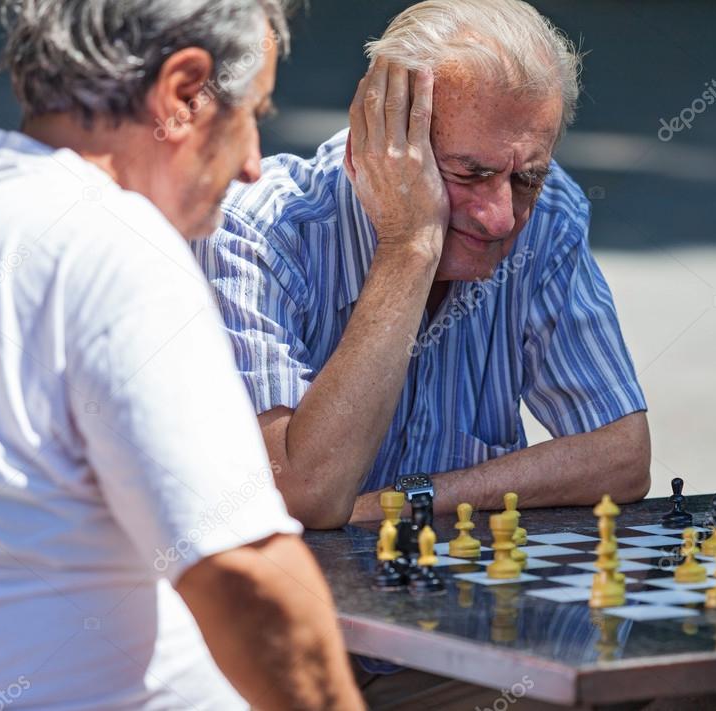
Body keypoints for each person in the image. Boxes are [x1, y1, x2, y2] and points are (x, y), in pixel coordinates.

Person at [0, 1, 361, 709]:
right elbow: (247, 577)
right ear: (183, 93)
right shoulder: (113, 243)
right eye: (253, 115)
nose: (252, 165)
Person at [194, 0, 652, 530]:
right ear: (377, 147)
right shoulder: (252, 230)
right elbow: (302, 494)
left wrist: (412, 498)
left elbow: (622, 455)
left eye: (525, 178)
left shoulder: (548, 211)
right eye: (469, 174)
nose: (500, 217)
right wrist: (408, 244)